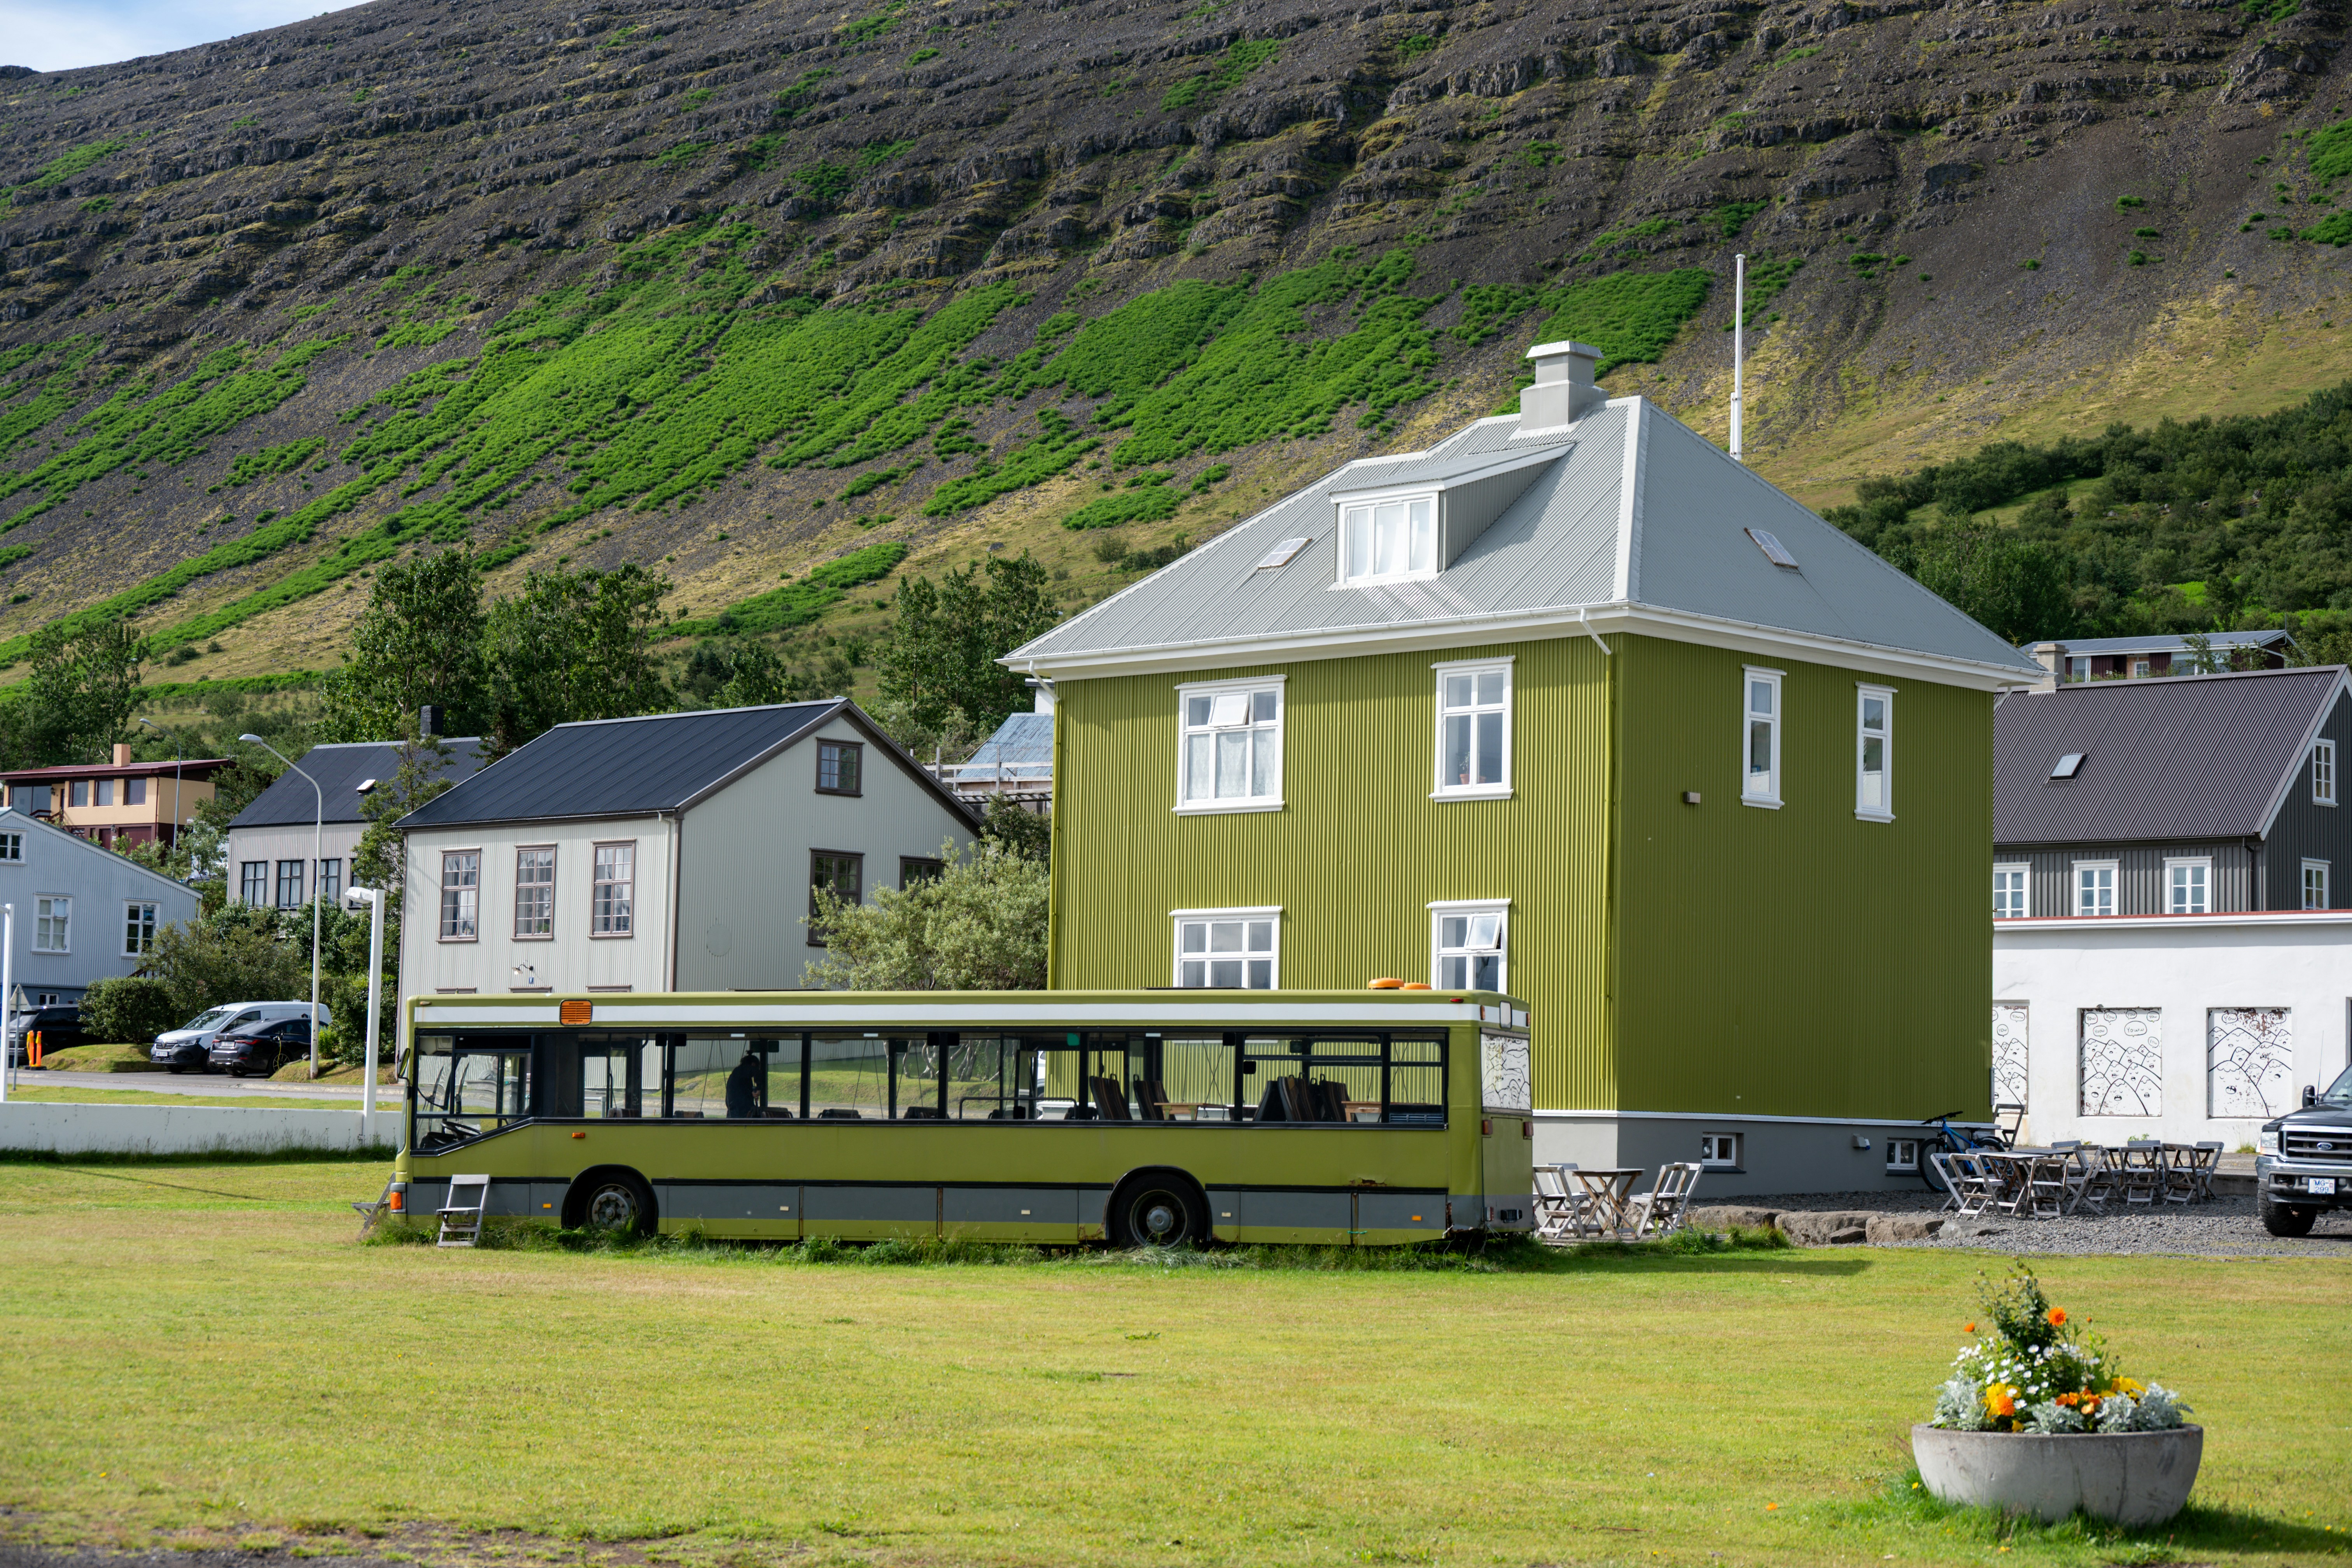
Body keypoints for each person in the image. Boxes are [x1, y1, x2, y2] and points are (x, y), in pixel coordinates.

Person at [724, 1047, 765, 1119]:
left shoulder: (737, 1073)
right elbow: (756, 1072)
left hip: (732, 1108)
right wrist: (759, 1088)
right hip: (742, 1109)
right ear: (753, 1064)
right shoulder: (746, 1069)